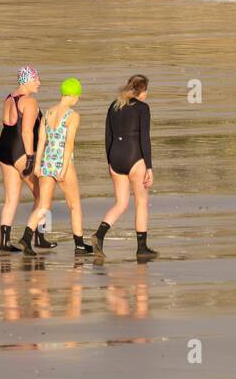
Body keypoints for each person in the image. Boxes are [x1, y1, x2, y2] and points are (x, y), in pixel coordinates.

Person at [93, 74, 156, 259]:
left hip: (115, 157)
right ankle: (141, 248)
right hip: (134, 157)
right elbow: (145, 138)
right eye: (146, 91)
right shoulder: (143, 108)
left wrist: (109, 162)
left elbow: (108, 136)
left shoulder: (114, 105)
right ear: (140, 91)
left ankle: (99, 235)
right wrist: (149, 167)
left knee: (121, 203)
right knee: (141, 202)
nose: (146, 94)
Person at [0, 64, 54, 254]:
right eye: (36, 79)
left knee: (11, 198)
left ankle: (4, 242)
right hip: (21, 151)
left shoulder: (9, 98)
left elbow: (9, 125)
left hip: (4, 150)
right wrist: (30, 157)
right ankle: (39, 237)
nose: (39, 82)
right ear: (27, 80)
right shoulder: (29, 101)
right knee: (42, 195)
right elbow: (27, 131)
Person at [32, 78, 93, 254]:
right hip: (62, 162)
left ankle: (29, 237)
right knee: (74, 205)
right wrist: (64, 169)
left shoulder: (48, 113)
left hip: (47, 162)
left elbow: (41, 140)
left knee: (43, 204)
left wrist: (37, 165)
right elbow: (69, 145)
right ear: (73, 95)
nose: (77, 100)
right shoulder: (72, 115)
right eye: (77, 97)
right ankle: (79, 244)